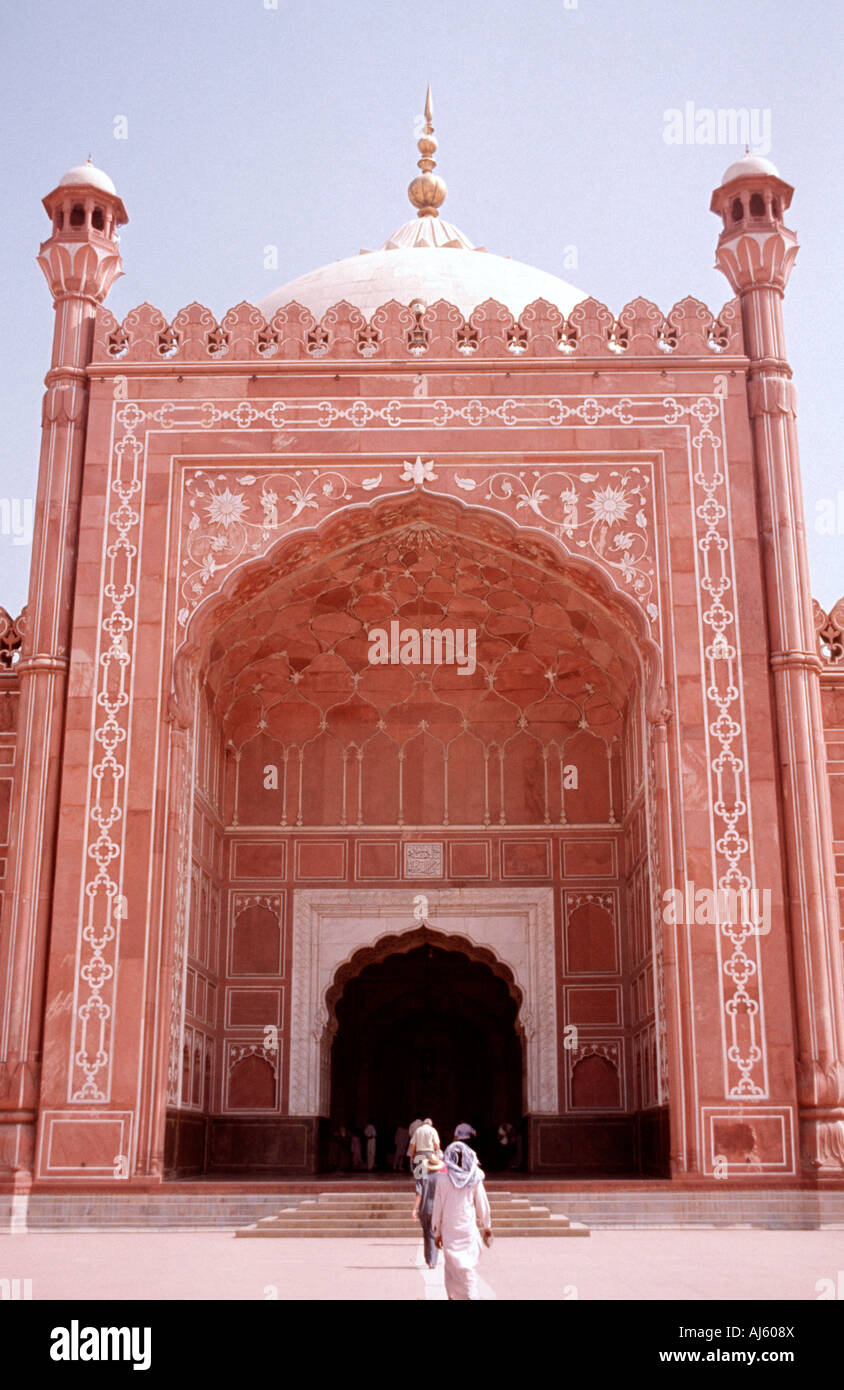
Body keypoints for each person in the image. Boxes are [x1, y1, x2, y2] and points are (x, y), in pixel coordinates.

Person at [432, 1141, 492, 1301]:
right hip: (467, 1230)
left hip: (450, 1231)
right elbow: (482, 1204)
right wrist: (487, 1227)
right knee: (467, 1269)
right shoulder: (474, 1178)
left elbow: (437, 1207)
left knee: (452, 1269)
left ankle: (456, 1297)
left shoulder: (443, 1178)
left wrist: (436, 1232)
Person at [412, 1153, 444, 1268]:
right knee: (433, 1234)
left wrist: (414, 1209)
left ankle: (428, 1258)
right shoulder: (441, 1178)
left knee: (426, 1234)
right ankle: (432, 1260)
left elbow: (419, 1194)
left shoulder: (422, 1177)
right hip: (436, 1209)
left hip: (424, 1209)